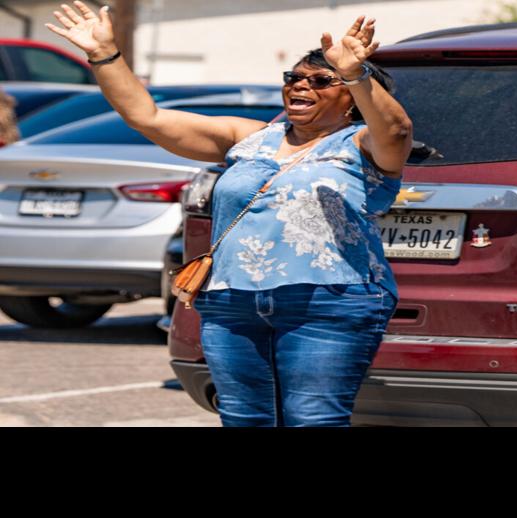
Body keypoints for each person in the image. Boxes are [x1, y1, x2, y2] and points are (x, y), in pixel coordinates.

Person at [46, 2, 411, 426]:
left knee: (313, 418)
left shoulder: (362, 144)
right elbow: (147, 117)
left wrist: (355, 72)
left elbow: (397, 129)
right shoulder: (250, 138)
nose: (300, 85)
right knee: (243, 418)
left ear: (350, 98)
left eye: (320, 80)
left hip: (328, 301)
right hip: (231, 301)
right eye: (293, 78)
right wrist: (104, 54)